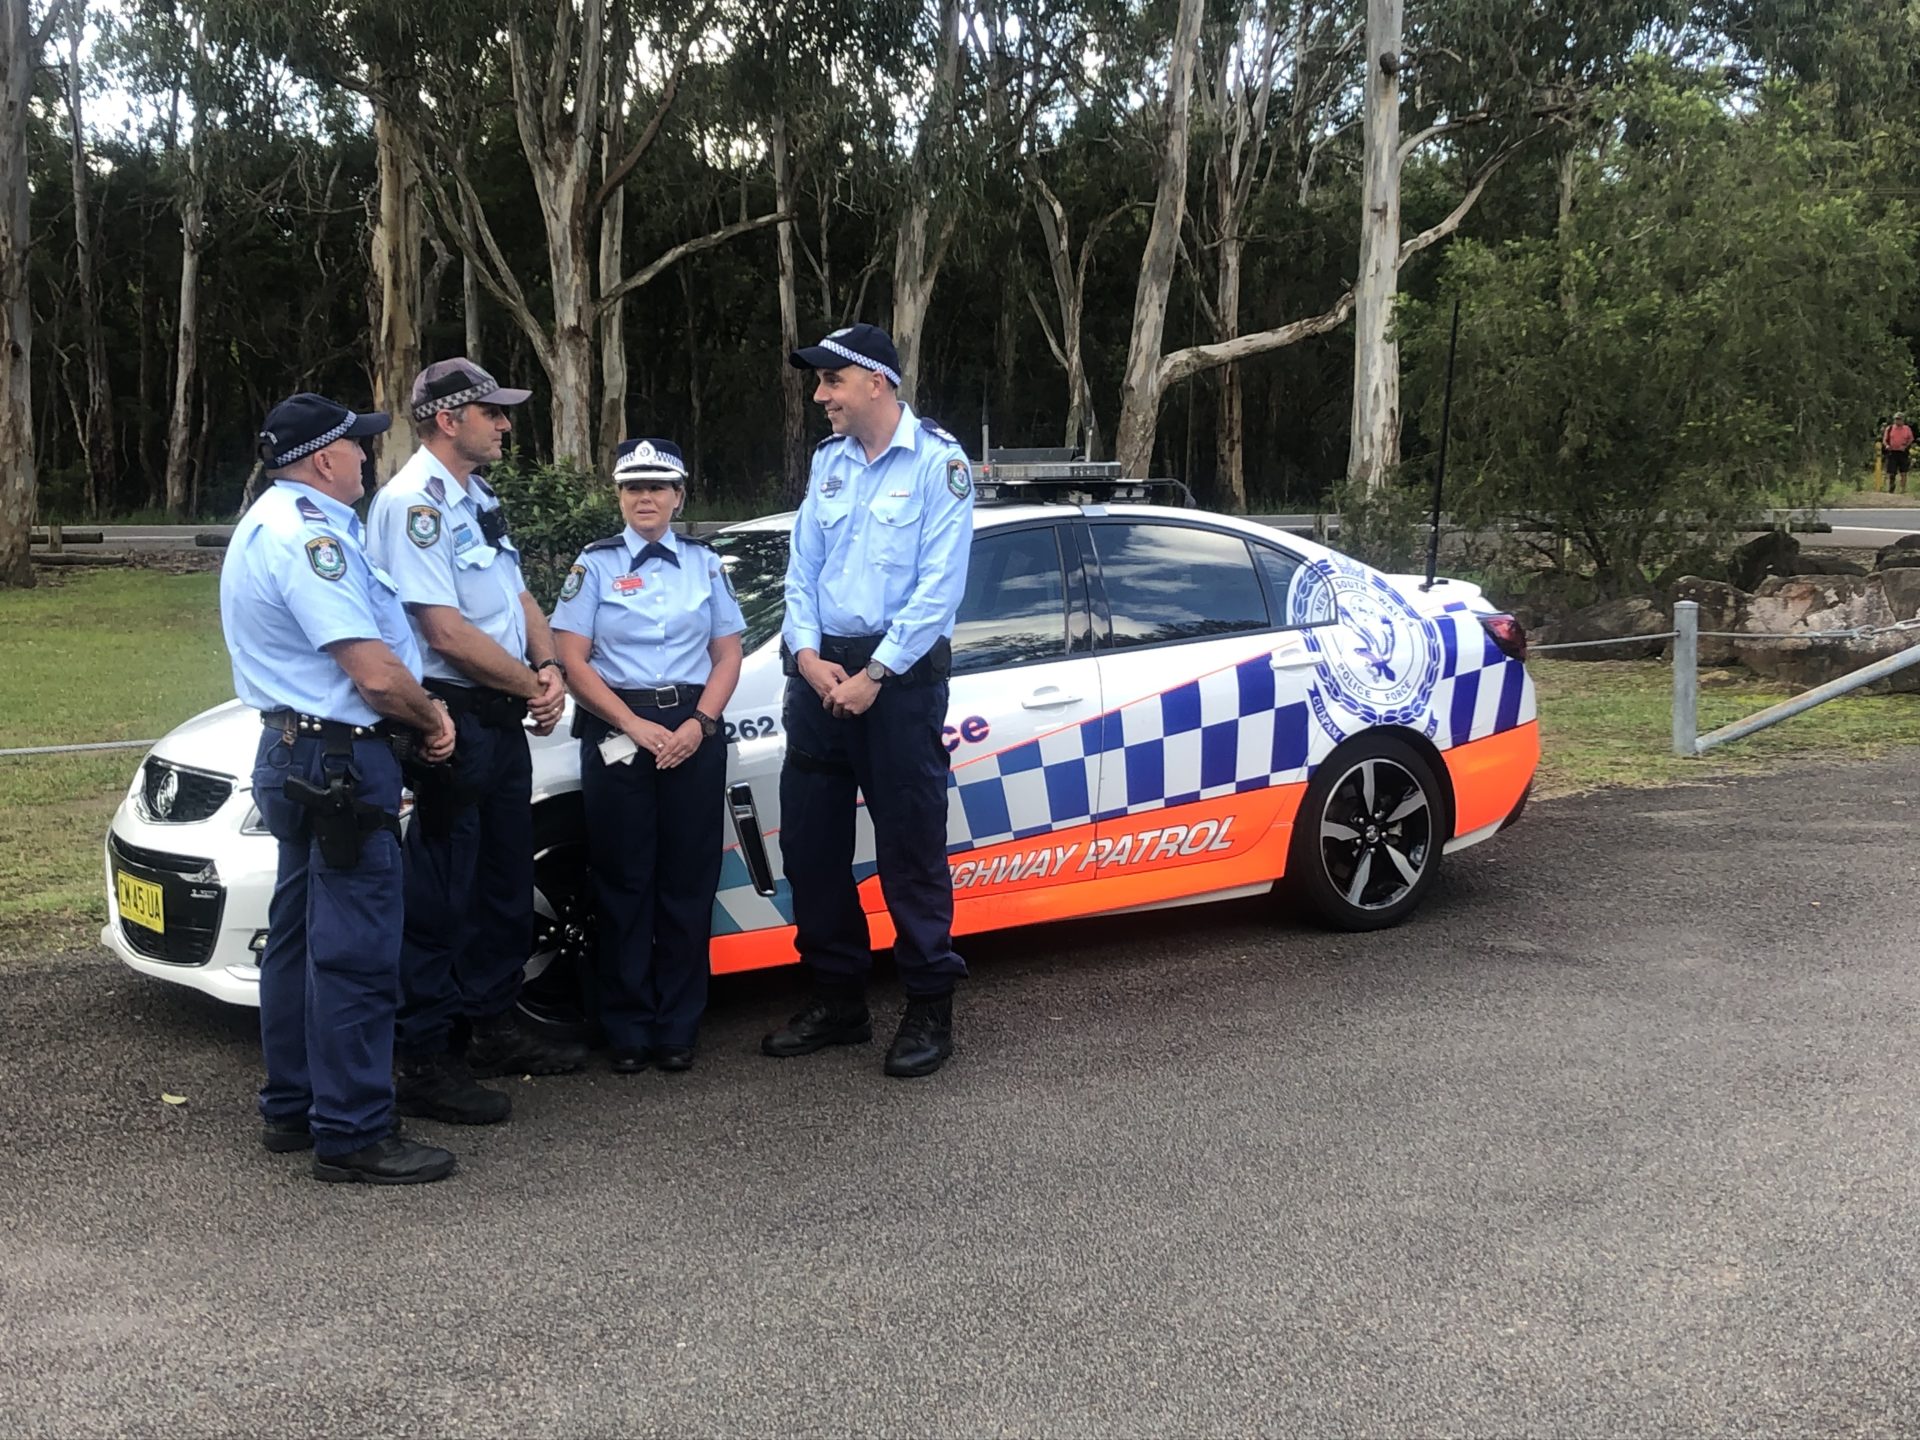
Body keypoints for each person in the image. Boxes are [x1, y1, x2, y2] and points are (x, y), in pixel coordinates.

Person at [219, 392, 459, 1185]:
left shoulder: (266, 522)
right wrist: (428, 718)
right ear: (324, 459)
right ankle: (354, 1128)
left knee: (294, 939)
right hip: (341, 759)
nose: (366, 456)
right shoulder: (311, 536)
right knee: (354, 950)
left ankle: (292, 1105)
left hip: (295, 753)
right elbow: (373, 672)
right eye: (357, 446)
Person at [365, 358, 585, 1126]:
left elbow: (516, 591)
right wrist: (532, 687)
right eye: (492, 412)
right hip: (453, 716)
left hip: (499, 712)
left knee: (499, 882)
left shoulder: (476, 494)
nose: (505, 423)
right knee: (441, 894)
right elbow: (445, 631)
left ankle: (492, 1028)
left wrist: (548, 664)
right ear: (448, 419)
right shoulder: (414, 504)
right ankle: (425, 1057)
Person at [761, 323, 974, 1078]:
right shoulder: (828, 466)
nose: (821, 397)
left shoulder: (940, 466)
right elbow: (801, 573)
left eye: (831, 383)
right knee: (812, 851)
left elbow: (937, 589)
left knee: (910, 853)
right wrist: (810, 657)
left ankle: (927, 1009)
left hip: (901, 683)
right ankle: (839, 1001)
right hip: (820, 678)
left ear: (875, 382)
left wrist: (873, 675)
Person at [550, 439, 745, 1073]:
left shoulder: (704, 564)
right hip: (617, 727)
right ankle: (627, 1025)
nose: (645, 498)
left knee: (687, 882)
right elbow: (572, 658)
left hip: (691, 727)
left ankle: (678, 1025)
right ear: (619, 497)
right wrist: (633, 724)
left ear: (679, 496)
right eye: (634, 487)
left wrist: (699, 722)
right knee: (623, 879)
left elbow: (728, 653)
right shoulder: (595, 565)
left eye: (658, 487)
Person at [1882, 413, 1913, 495]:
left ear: (1903, 420)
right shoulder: (1890, 428)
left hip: (1903, 452)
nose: (1897, 421)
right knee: (1891, 472)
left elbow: (1911, 439)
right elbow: (1885, 440)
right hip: (1892, 452)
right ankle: (1891, 488)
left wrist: (1905, 446)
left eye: (1899, 419)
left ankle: (1903, 490)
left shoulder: (1907, 428)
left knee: (1903, 472)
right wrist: (1887, 445)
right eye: (1896, 419)